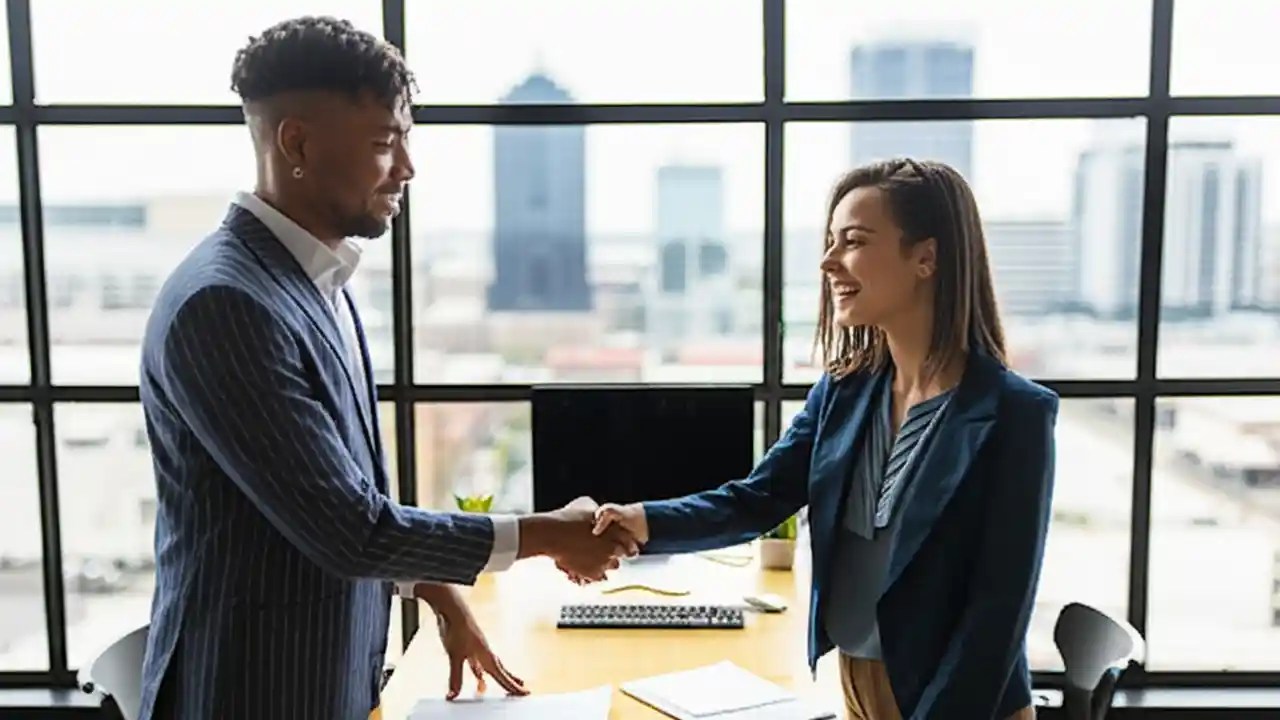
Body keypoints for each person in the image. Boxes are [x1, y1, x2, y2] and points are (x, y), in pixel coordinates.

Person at [137, 16, 635, 720]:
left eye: (406, 139)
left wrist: (440, 590)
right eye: (383, 142)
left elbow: (325, 493)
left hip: (326, 680)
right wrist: (547, 535)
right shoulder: (226, 304)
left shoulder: (314, 281)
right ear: (297, 143)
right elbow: (349, 529)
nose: (406, 166)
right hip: (254, 693)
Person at [592, 158, 1056, 720]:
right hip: (860, 682)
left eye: (854, 241)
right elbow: (758, 498)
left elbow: (998, 611)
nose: (829, 261)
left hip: (963, 702)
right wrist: (644, 521)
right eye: (831, 240)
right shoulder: (844, 392)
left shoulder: (1014, 414)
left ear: (926, 258)